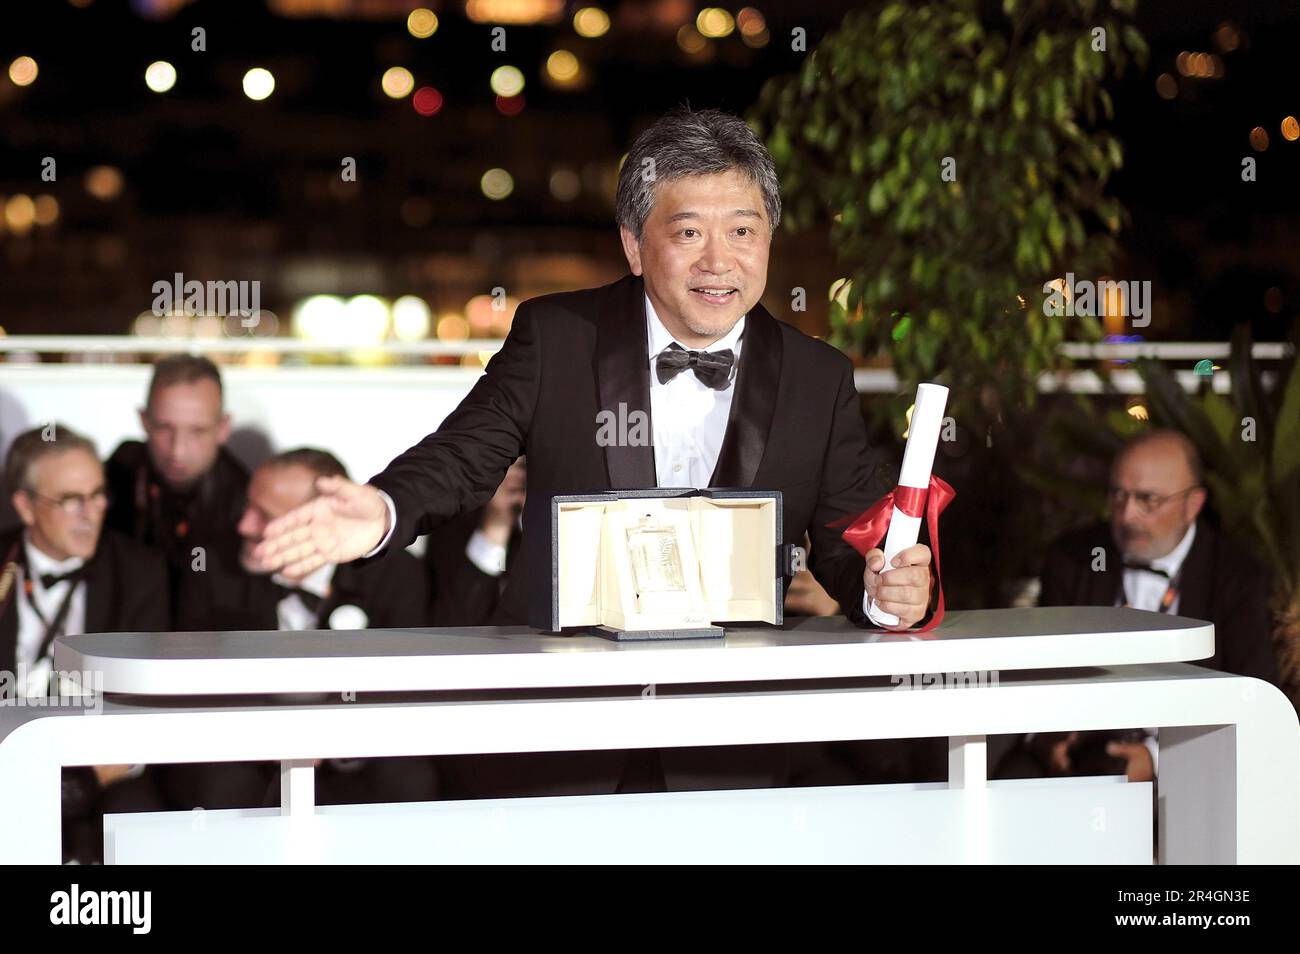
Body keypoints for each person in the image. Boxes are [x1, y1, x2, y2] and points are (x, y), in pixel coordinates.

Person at [254, 106, 934, 796]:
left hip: (729, 735)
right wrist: (385, 509)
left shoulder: (818, 376)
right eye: (689, 232)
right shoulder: (557, 337)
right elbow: (465, 454)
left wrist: (886, 596)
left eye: (742, 231)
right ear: (635, 246)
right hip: (564, 722)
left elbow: (851, 540)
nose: (718, 260)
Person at [996, 428, 1280, 782]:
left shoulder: (1237, 576)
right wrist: (1046, 740)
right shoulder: (1073, 558)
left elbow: (1254, 700)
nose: (1127, 515)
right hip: (1084, 753)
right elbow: (1041, 670)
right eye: (1118, 495)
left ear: (1193, 505)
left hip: (1190, 761)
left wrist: (1157, 762)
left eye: (1148, 499)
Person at [168, 448, 436, 809]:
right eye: (248, 506)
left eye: (264, 516)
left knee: (408, 781)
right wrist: (269, 737)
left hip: (352, 753)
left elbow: (405, 686)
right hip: (246, 748)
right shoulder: (211, 566)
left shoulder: (394, 575)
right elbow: (192, 677)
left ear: (322, 520)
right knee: (218, 786)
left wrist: (333, 738)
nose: (244, 525)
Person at [1, 424, 170, 863]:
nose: (91, 512)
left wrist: (78, 785)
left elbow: (147, 709)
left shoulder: (140, 572)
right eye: (71, 500)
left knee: (136, 817)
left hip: (97, 769)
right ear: (25, 505)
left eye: (98, 495)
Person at [105, 354, 248, 617]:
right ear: (144, 420)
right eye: (164, 428)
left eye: (197, 431)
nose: (178, 451)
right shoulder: (108, 483)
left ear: (223, 427)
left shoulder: (249, 507)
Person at [425, 456, 525, 627]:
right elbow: (459, 618)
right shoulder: (452, 525)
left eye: (522, 467)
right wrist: (496, 527)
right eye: (504, 466)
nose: (513, 478)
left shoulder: (558, 524)